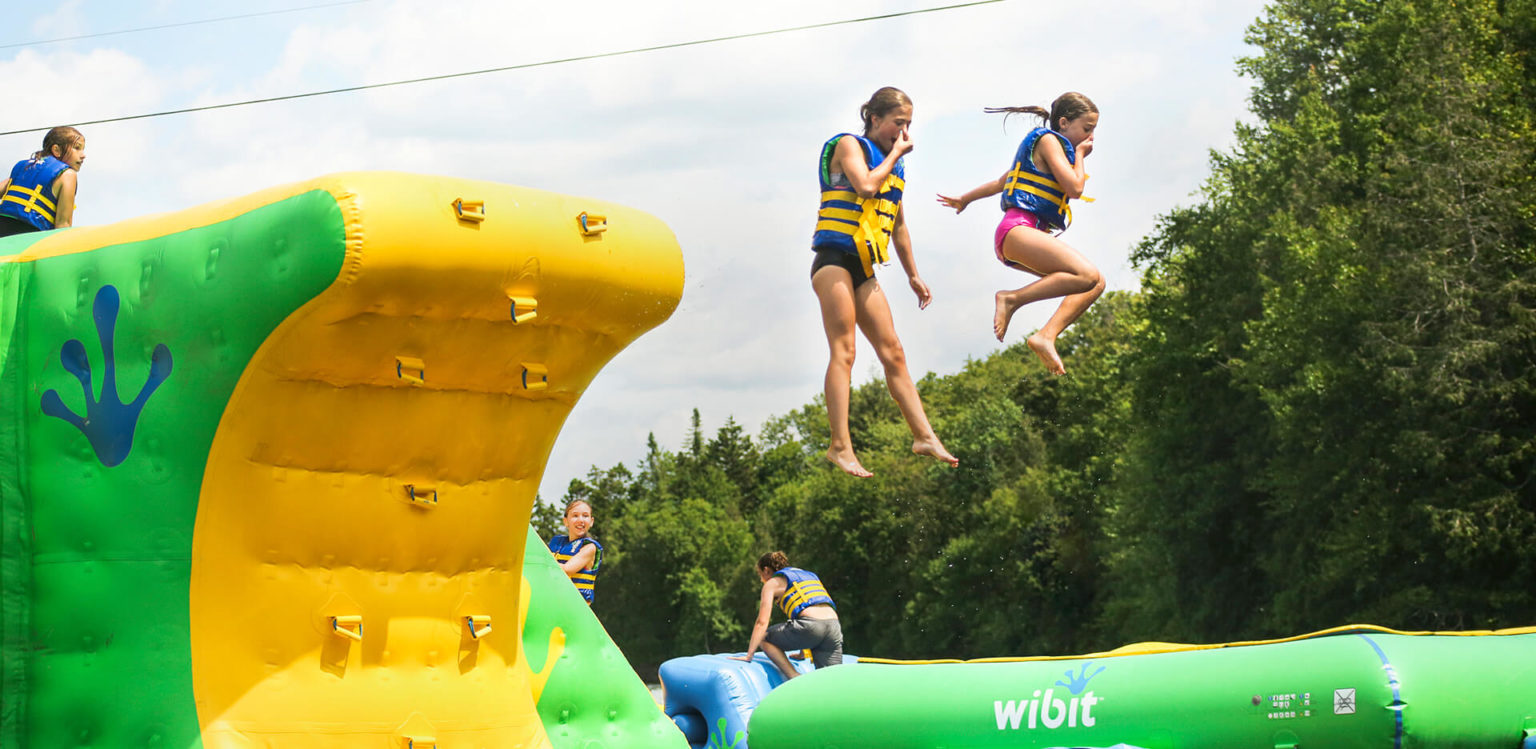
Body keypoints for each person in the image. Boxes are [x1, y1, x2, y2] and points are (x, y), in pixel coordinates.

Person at [811, 86, 957, 478]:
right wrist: (894, 155)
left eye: (908, 124)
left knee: (893, 351)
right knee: (845, 351)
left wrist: (913, 274)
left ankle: (924, 435)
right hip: (833, 262)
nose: (904, 132)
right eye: (898, 123)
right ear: (875, 119)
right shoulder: (849, 146)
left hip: (863, 266)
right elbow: (866, 187)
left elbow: (899, 224)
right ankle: (840, 445)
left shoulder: (894, 164)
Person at [937, 92, 1106, 375]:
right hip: (1017, 229)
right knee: (1086, 274)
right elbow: (1075, 189)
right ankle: (1011, 299)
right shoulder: (1050, 141)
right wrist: (1079, 155)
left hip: (1022, 237)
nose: (1090, 138)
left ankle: (1046, 336)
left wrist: (965, 199)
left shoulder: (1043, 153)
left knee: (1095, 284)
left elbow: (1001, 182)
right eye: (1086, 129)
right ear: (1063, 123)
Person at [734, 551, 842, 681]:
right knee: (832, 680)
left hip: (811, 626)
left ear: (766, 570)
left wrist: (749, 655)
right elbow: (808, 609)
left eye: (760, 575)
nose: (761, 579)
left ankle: (794, 676)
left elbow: (762, 622)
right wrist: (802, 653)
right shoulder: (808, 575)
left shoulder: (772, 583)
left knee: (763, 637)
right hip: (834, 626)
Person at [0, 126, 86, 238]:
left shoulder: (24, 167)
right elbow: (63, 224)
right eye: (77, 148)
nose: (83, 155)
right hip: (29, 236)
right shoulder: (68, 175)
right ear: (56, 150)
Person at [547, 499, 603, 605]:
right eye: (575, 516)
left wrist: (542, 561)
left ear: (591, 522)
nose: (580, 520)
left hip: (576, 607)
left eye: (585, 516)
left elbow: (567, 570)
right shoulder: (557, 543)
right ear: (566, 521)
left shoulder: (589, 547)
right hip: (555, 603)